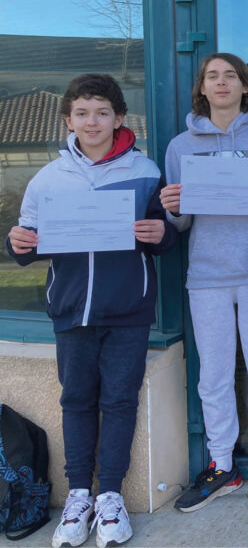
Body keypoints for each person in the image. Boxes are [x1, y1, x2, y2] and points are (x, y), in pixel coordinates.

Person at [6, 74, 177, 548]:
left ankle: (110, 499)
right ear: (68, 121)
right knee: (76, 401)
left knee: (119, 402)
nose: (92, 121)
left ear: (119, 118)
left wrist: (161, 235)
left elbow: (166, 237)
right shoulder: (48, 177)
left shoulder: (145, 170)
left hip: (128, 309)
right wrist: (15, 243)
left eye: (102, 112)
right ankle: (78, 496)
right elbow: (27, 242)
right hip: (70, 310)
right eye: (82, 113)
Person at [160, 53, 248, 512]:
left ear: (246, 88)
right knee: (214, 376)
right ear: (201, 88)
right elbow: (178, 225)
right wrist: (173, 208)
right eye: (212, 76)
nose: (221, 83)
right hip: (206, 277)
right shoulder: (181, 146)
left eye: (231, 76)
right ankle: (221, 465)